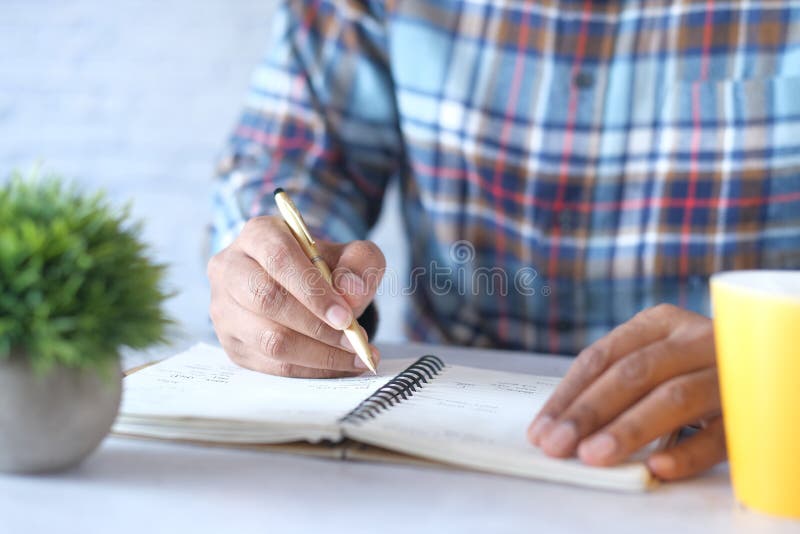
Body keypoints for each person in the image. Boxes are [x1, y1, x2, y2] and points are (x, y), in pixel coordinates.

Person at [207, 1, 800, 481]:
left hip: (745, 449)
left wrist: (778, 359)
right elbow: (285, 167)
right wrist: (275, 273)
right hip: (433, 453)